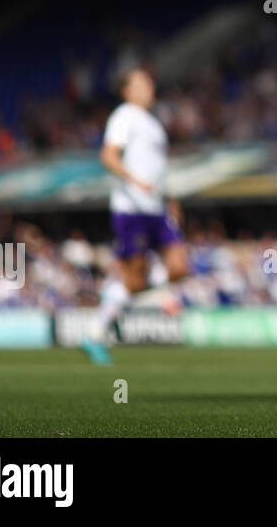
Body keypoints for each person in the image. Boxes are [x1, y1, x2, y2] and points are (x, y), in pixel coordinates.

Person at [83, 67, 188, 364]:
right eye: (143, 83)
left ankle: (119, 293)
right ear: (128, 91)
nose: (150, 86)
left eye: (151, 82)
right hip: (131, 209)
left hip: (156, 208)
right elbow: (108, 155)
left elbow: (156, 168)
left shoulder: (155, 124)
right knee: (135, 278)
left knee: (179, 267)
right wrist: (134, 181)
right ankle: (94, 333)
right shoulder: (124, 116)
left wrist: (168, 198)